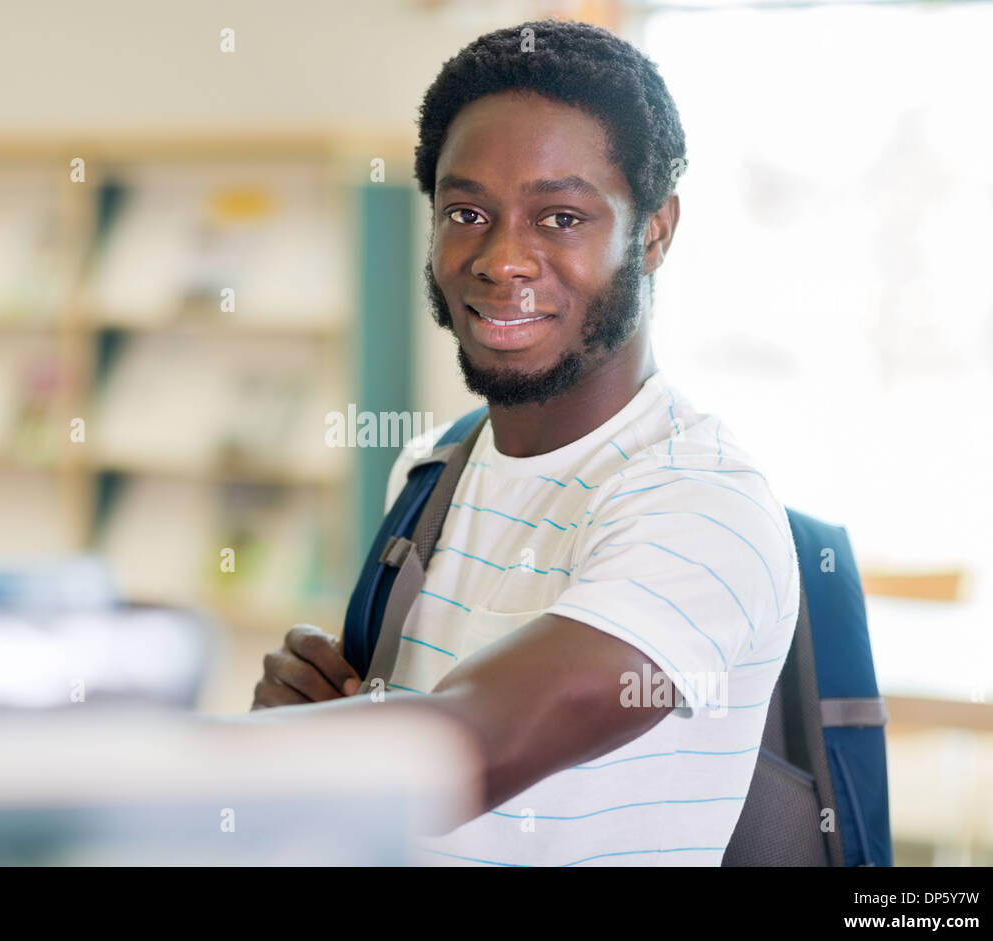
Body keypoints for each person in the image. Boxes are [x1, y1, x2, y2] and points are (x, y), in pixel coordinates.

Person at [251, 19, 799, 867]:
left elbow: (456, 754)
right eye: (467, 212)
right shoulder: (433, 469)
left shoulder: (702, 505)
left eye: (561, 217)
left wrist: (208, 760)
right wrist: (309, 711)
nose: (503, 260)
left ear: (653, 232)